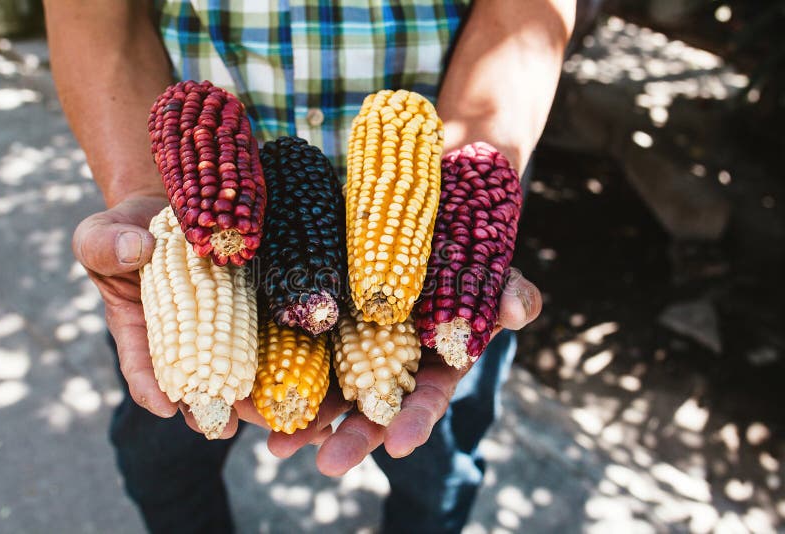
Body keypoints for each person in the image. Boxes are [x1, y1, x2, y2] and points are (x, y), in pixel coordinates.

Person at [43, 0, 574, 532]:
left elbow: (523, 16)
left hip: (429, 237)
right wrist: (145, 191)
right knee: (162, 460)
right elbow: (91, 15)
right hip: (196, 204)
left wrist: (466, 205)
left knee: (437, 474)